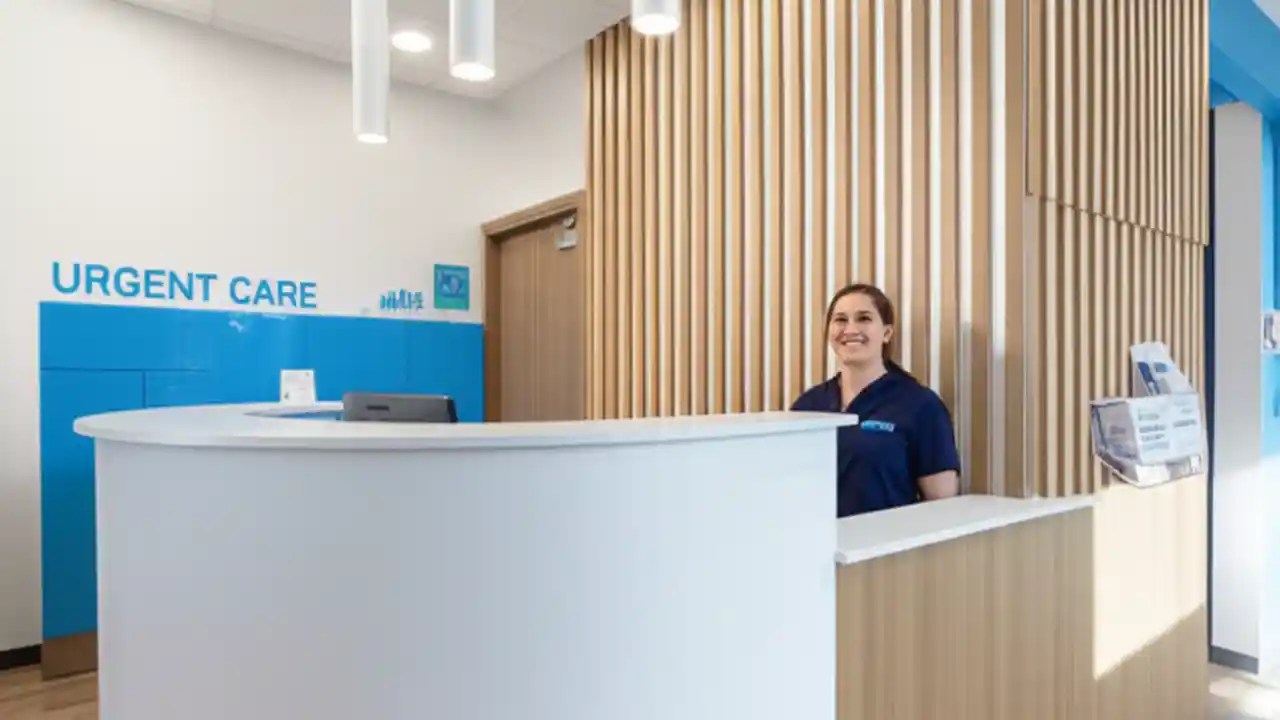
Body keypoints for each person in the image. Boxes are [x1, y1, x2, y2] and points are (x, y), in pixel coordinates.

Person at [791, 284, 961, 517]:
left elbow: (943, 506)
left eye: (864, 318)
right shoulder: (808, 404)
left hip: (884, 548)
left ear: (887, 333)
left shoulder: (920, 405)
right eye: (840, 320)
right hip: (812, 546)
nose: (850, 329)